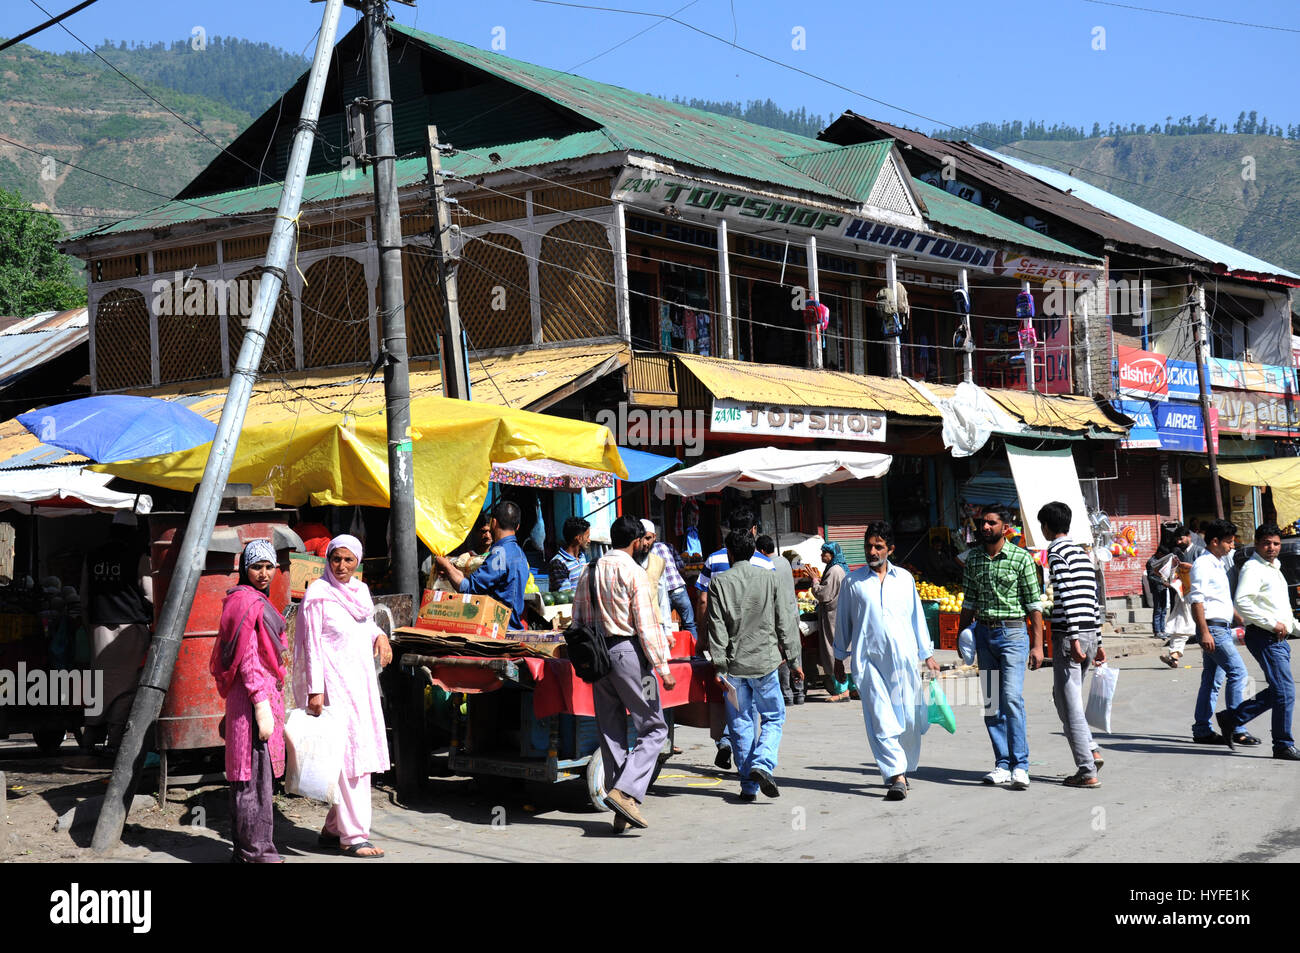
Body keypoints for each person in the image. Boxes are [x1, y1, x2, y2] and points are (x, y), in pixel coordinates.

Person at [572, 515, 675, 832]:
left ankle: (622, 809)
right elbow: (646, 625)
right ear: (634, 542)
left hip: (599, 658)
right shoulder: (635, 572)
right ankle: (625, 791)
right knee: (655, 727)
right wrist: (663, 666)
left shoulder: (590, 570)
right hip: (630, 656)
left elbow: (577, 621)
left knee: (611, 730)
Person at [295, 535, 393, 858]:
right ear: (328, 559)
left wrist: (381, 637)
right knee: (351, 759)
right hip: (334, 687)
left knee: (357, 754)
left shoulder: (360, 592)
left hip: (360, 686)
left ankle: (332, 828)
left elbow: (365, 624)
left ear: (358, 562)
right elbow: (310, 645)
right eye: (336, 559)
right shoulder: (318, 595)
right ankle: (354, 837)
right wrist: (315, 690)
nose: (341, 566)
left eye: (349, 560)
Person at [833, 521, 939, 800]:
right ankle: (897, 776)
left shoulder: (904, 579)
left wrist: (926, 654)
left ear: (890, 549)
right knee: (880, 718)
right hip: (867, 663)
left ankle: (903, 766)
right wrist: (838, 657)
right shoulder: (852, 582)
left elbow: (917, 617)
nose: (872, 550)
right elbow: (842, 623)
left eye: (878, 546)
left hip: (903, 660)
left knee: (908, 718)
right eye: (869, 545)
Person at [706, 530, 801, 802]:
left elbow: (717, 630)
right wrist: (794, 660)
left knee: (740, 724)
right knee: (773, 717)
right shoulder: (770, 579)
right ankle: (762, 762)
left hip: (734, 668)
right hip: (766, 663)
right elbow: (785, 620)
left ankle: (749, 785)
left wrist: (719, 667)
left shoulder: (719, 583)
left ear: (730, 554)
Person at [210, 540, 288, 863]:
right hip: (252, 705)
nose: (264, 573)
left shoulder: (253, 601)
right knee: (252, 781)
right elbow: (248, 660)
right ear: (245, 568)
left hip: (257, 703)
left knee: (253, 779)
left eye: (269, 567)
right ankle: (257, 853)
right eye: (257, 567)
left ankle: (246, 852)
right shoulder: (245, 604)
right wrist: (260, 704)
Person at [958, 504, 1044, 790]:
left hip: (1013, 634)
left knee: (1011, 698)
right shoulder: (974, 560)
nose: (984, 527)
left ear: (1005, 527)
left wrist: (1038, 646)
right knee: (992, 702)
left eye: (991, 523)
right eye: (982, 523)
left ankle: (1021, 765)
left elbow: (1034, 606)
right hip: (983, 635)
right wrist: (962, 635)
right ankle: (1002, 764)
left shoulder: (1021, 559)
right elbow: (969, 601)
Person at [694, 507, 772, 769]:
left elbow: (703, 599)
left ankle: (728, 744)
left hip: (724, 641)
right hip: (759, 645)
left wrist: (702, 636)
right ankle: (754, 766)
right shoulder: (764, 562)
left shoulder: (714, 559)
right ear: (753, 531)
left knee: (731, 702)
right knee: (757, 710)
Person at [1037, 502, 1107, 788]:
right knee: (1062, 695)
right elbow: (1092, 596)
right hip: (1088, 632)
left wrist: (1075, 638)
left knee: (1070, 703)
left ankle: (1086, 768)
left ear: (1046, 526)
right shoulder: (1080, 552)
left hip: (1070, 635)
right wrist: (1098, 640)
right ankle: (1091, 747)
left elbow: (1064, 593)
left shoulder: (1055, 552)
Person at [1216, 523, 1300, 759]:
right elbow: (1242, 602)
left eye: (1275, 543)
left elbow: (1281, 610)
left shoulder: (1275, 568)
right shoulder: (1253, 568)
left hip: (1278, 637)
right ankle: (1282, 744)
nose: (1271, 548)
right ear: (1257, 543)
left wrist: (1293, 627)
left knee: (1279, 690)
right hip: (1264, 636)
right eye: (1266, 543)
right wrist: (1272, 624)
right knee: (1285, 691)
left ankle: (1231, 718)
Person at [81, 512, 153, 750]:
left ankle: (91, 734)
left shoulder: (92, 556)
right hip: (130, 629)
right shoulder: (139, 557)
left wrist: (87, 623)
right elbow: (150, 595)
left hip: (98, 626)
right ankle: (115, 738)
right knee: (126, 685)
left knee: (100, 683)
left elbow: (84, 595)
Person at [1188, 519, 1254, 747]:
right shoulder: (1203, 564)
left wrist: (1238, 617)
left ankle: (1202, 729)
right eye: (1228, 542)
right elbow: (1196, 600)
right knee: (1238, 672)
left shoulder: (1218, 563)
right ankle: (1236, 727)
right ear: (1215, 541)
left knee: (1212, 680)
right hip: (1213, 629)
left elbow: (1220, 599)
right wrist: (1204, 632)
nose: (1231, 546)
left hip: (1221, 626)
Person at [434, 500, 531, 630]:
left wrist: (445, 566)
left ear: (494, 522)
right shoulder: (520, 554)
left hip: (496, 631)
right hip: (511, 629)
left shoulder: (499, 554)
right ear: (517, 526)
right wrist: (450, 567)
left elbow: (469, 589)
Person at [757, 534, 804, 706]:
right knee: (795, 650)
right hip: (793, 612)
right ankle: (800, 693)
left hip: (779, 614)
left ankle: (787, 694)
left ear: (762, 551)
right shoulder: (784, 561)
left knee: (782, 653)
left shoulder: (767, 566)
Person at [810, 542, 853, 701]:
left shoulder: (834, 571)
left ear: (832, 554)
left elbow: (824, 594)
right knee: (845, 650)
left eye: (824, 553)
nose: (822, 556)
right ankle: (852, 688)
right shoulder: (838, 568)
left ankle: (842, 690)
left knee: (835, 650)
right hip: (839, 615)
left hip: (833, 617)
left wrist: (814, 582)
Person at [646, 523, 696, 645]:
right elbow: (681, 567)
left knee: (662, 624)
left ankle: (668, 653)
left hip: (662, 593)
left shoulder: (645, 551)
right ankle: (695, 654)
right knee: (689, 623)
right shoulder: (668, 546)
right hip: (678, 587)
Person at [549, 516, 590, 594]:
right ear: (579, 538)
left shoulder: (582, 557)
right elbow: (565, 594)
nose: (589, 540)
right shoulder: (558, 562)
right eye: (587, 537)